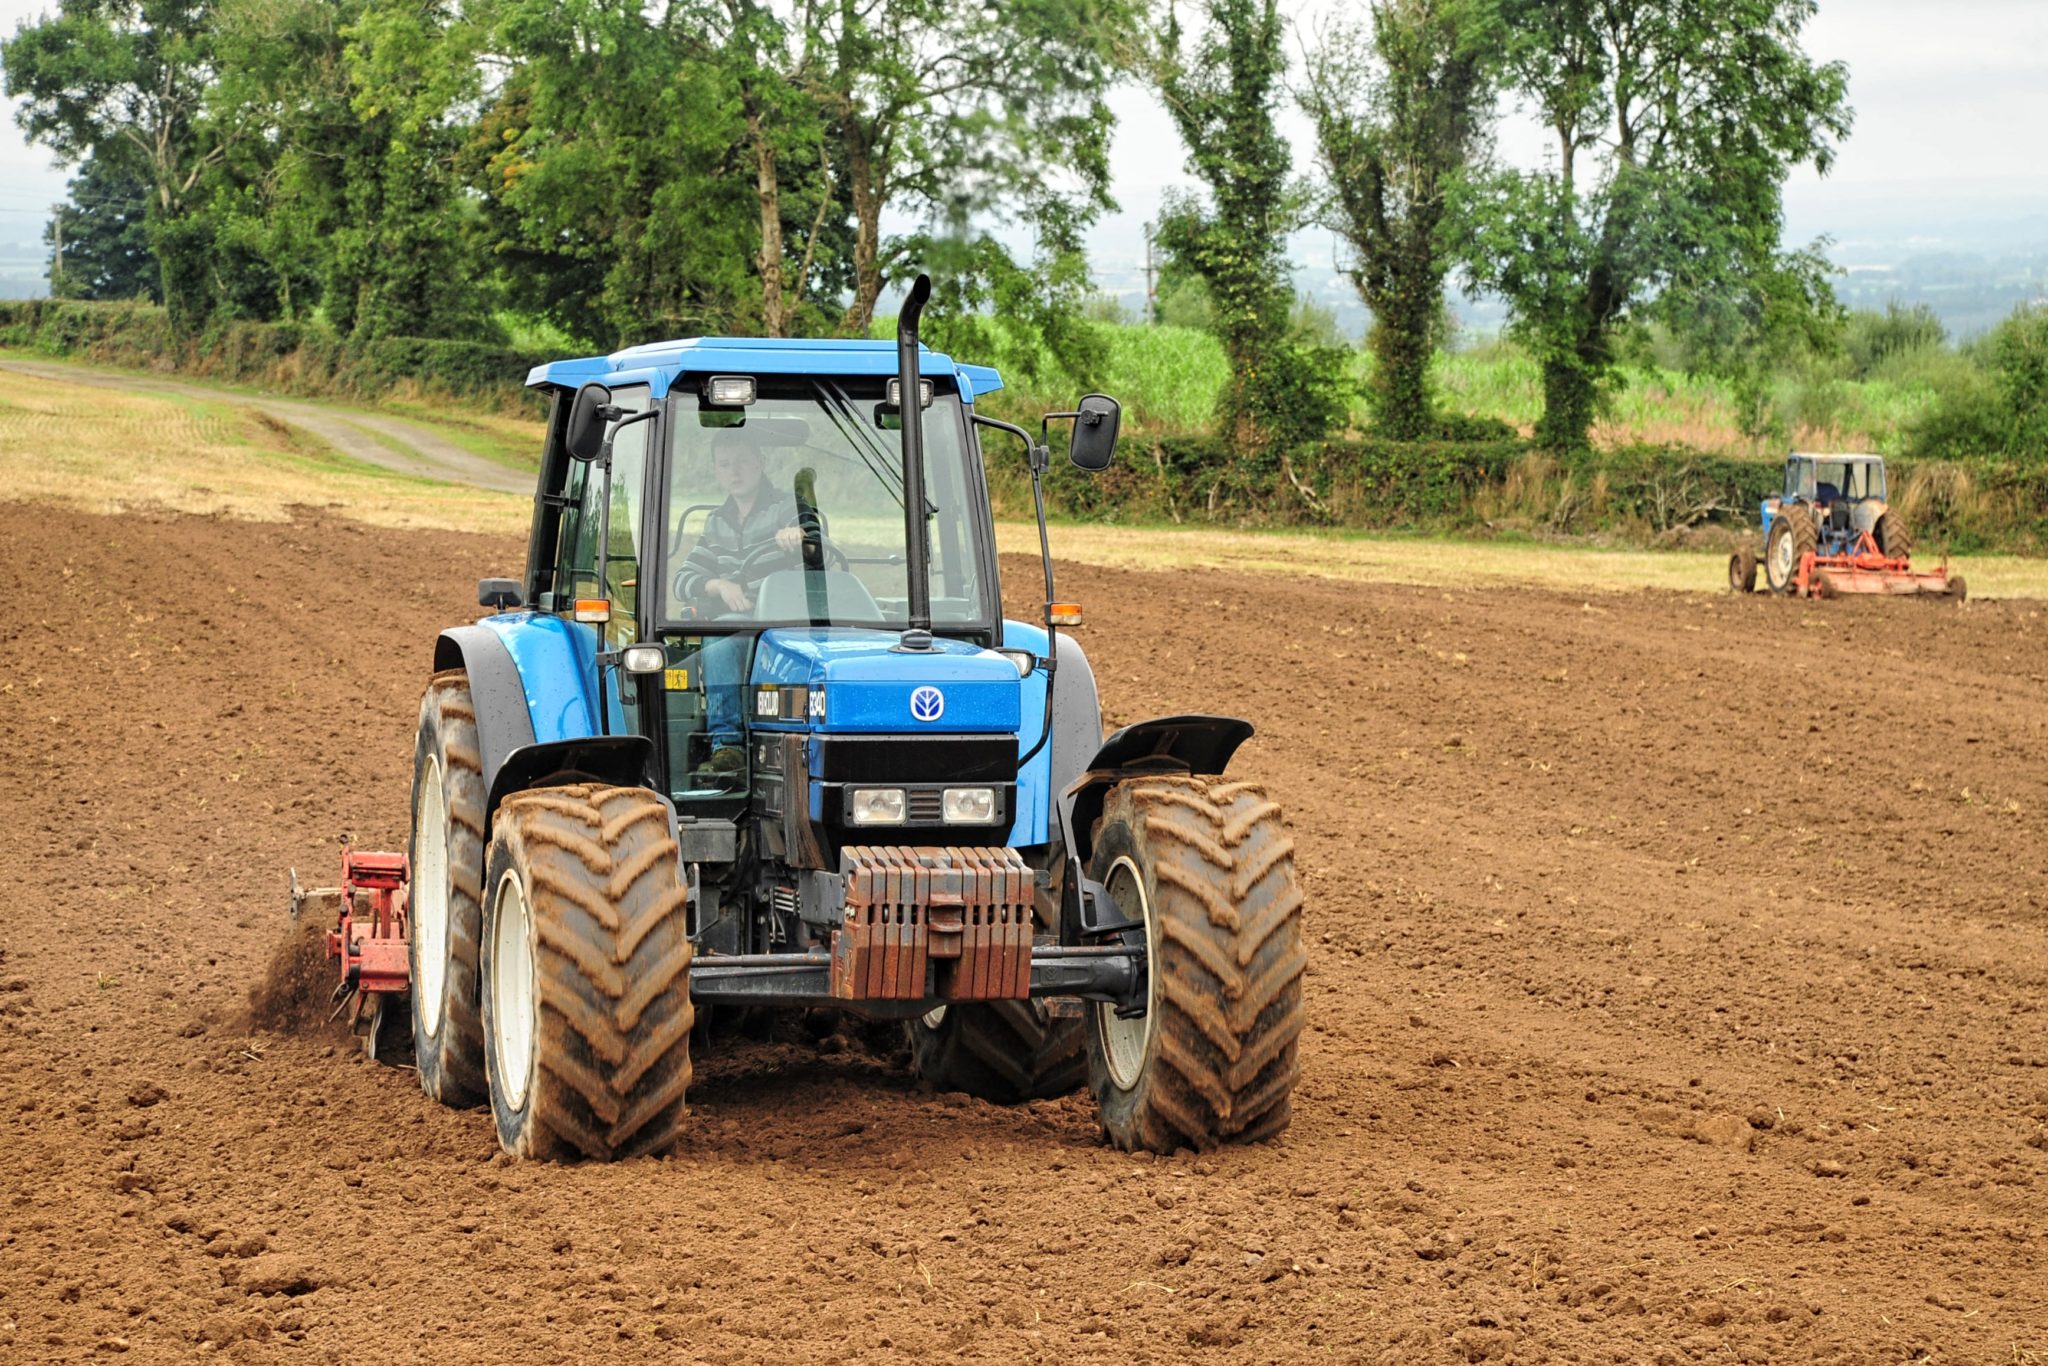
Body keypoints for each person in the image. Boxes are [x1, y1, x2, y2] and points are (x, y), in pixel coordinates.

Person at [671, 427, 815, 775]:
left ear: (760, 464)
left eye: (742, 463)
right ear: (717, 471)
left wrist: (798, 534)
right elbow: (683, 580)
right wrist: (718, 585)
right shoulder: (716, 522)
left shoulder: (786, 507)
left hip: (784, 622)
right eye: (725, 465)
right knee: (718, 642)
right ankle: (728, 747)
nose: (734, 471)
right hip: (735, 625)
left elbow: (813, 539)